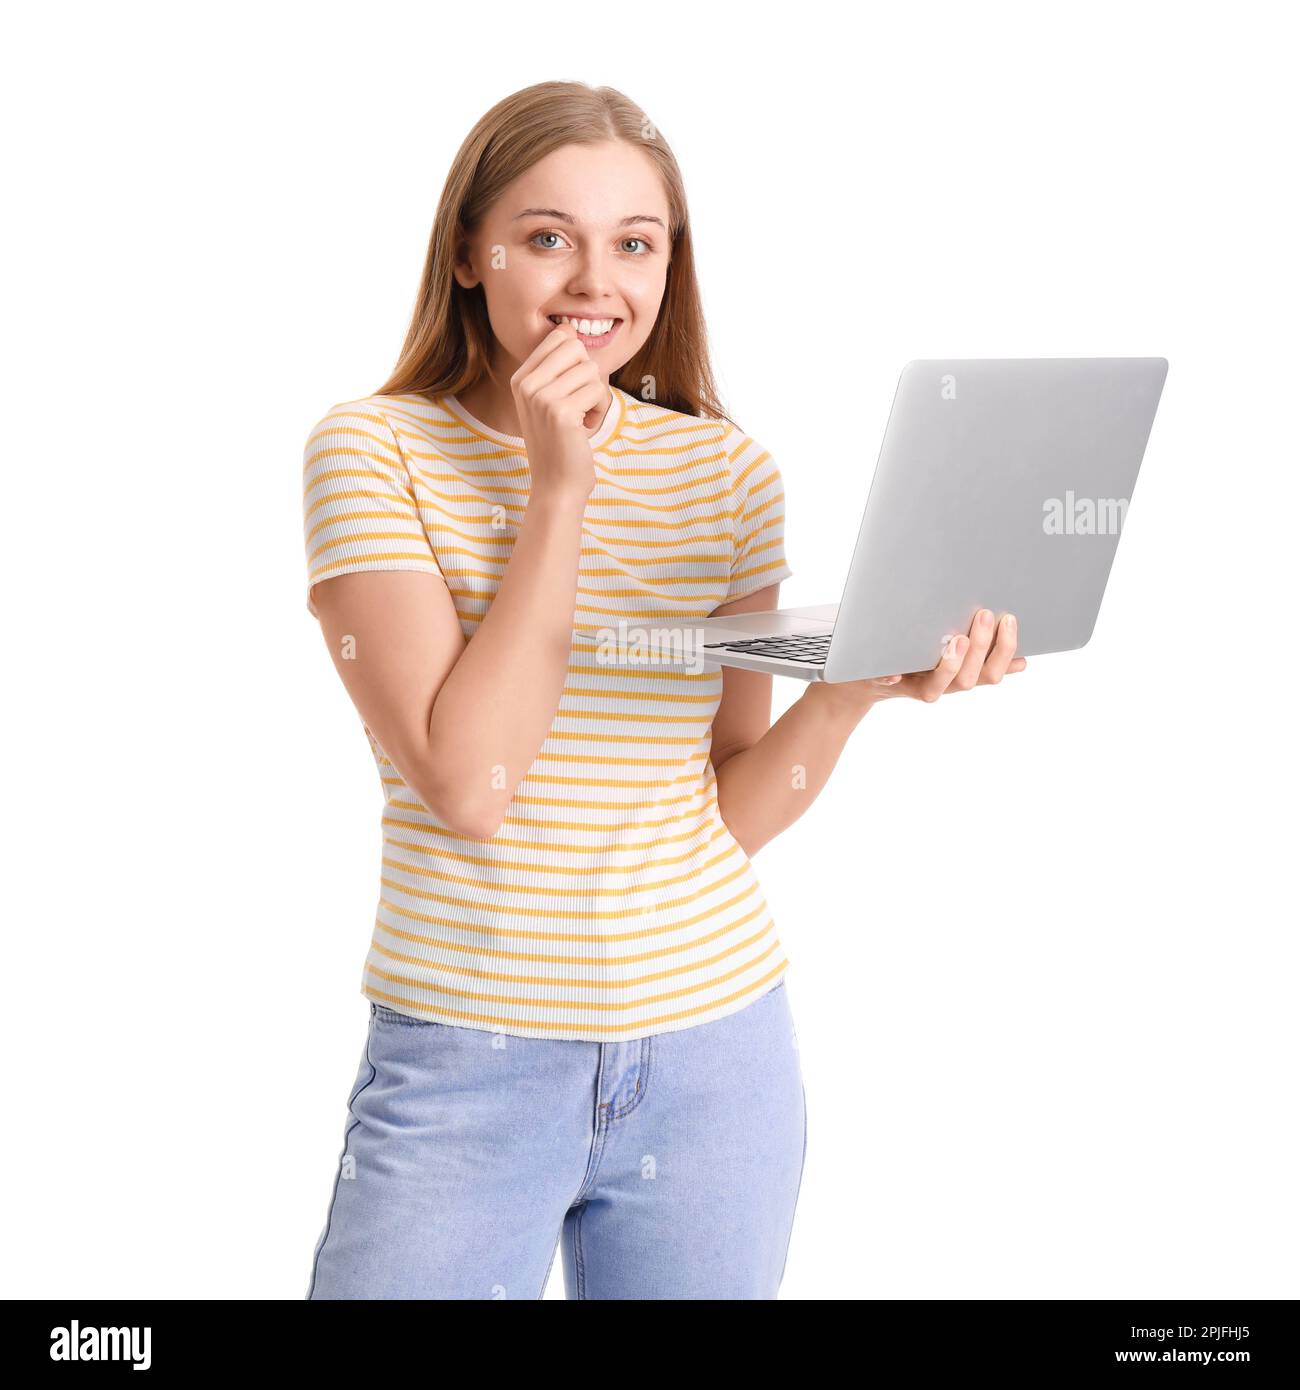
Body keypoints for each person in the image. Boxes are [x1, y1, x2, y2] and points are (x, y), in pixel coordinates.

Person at [301, 81, 1026, 1301]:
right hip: (470, 1060)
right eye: (548, 237)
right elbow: (470, 786)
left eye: (634, 244)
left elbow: (725, 808)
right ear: (470, 252)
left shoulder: (727, 474)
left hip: (718, 1053)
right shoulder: (372, 449)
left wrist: (853, 692)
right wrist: (560, 489)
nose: (596, 282)